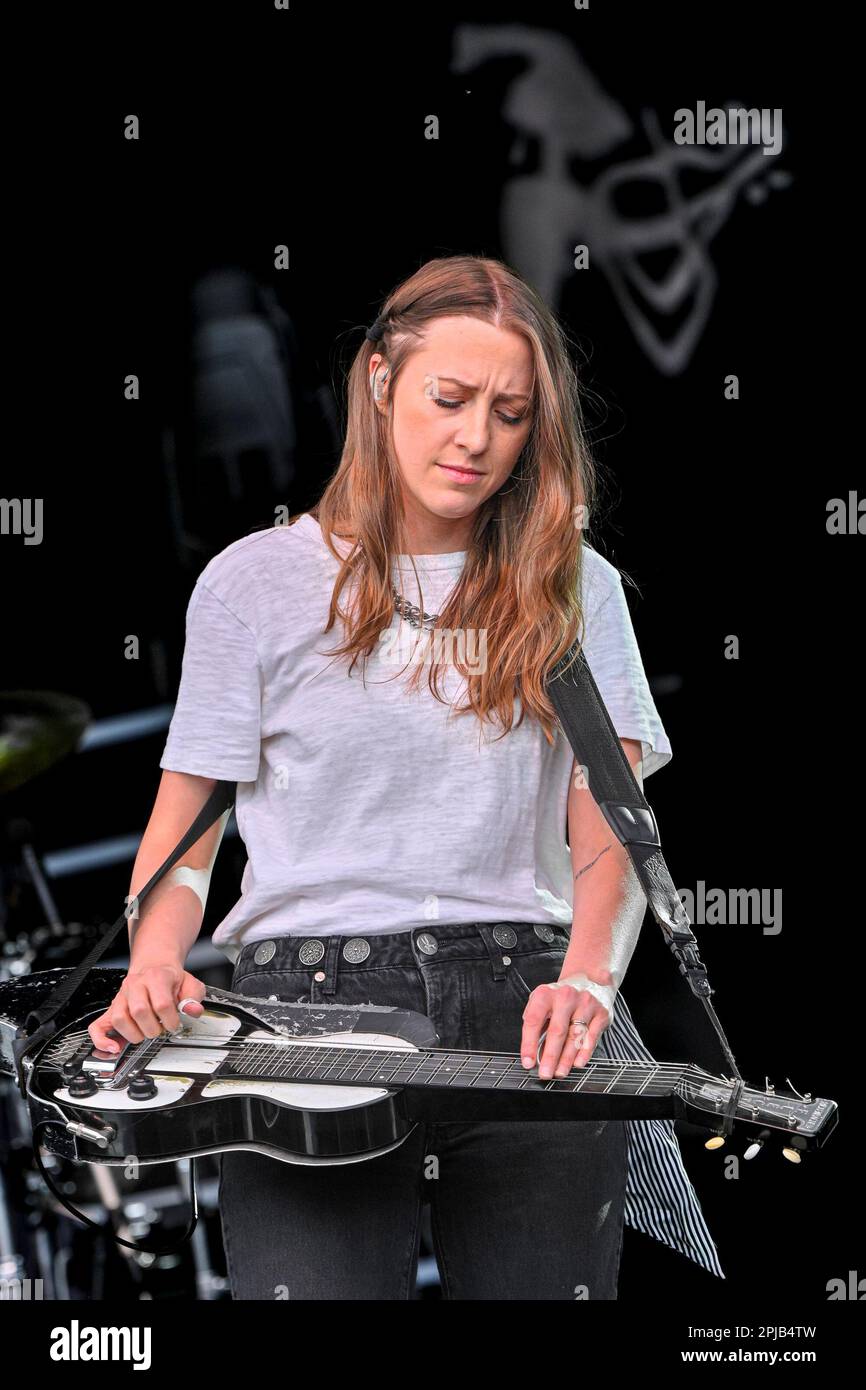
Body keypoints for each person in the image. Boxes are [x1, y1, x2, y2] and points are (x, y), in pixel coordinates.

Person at [88, 254, 723, 1299]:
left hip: (533, 1007)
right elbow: (186, 838)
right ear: (380, 379)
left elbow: (610, 824)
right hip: (300, 1015)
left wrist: (588, 980)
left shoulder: (571, 583)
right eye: (450, 398)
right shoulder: (253, 583)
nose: (476, 438)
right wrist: (155, 960)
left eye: (510, 414)